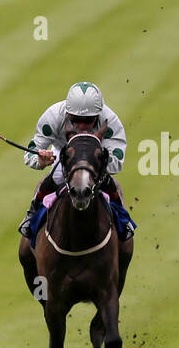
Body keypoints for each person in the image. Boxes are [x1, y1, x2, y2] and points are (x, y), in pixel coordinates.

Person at [18, 81, 135, 240]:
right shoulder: (53, 116)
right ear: (68, 114)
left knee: (108, 181)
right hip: (64, 154)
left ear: (98, 115)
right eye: (76, 119)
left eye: (89, 121)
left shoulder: (111, 122)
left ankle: (123, 220)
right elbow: (30, 153)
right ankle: (31, 216)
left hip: (94, 159)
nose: (82, 126)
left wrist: (99, 161)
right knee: (55, 177)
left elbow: (116, 163)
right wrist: (40, 159)